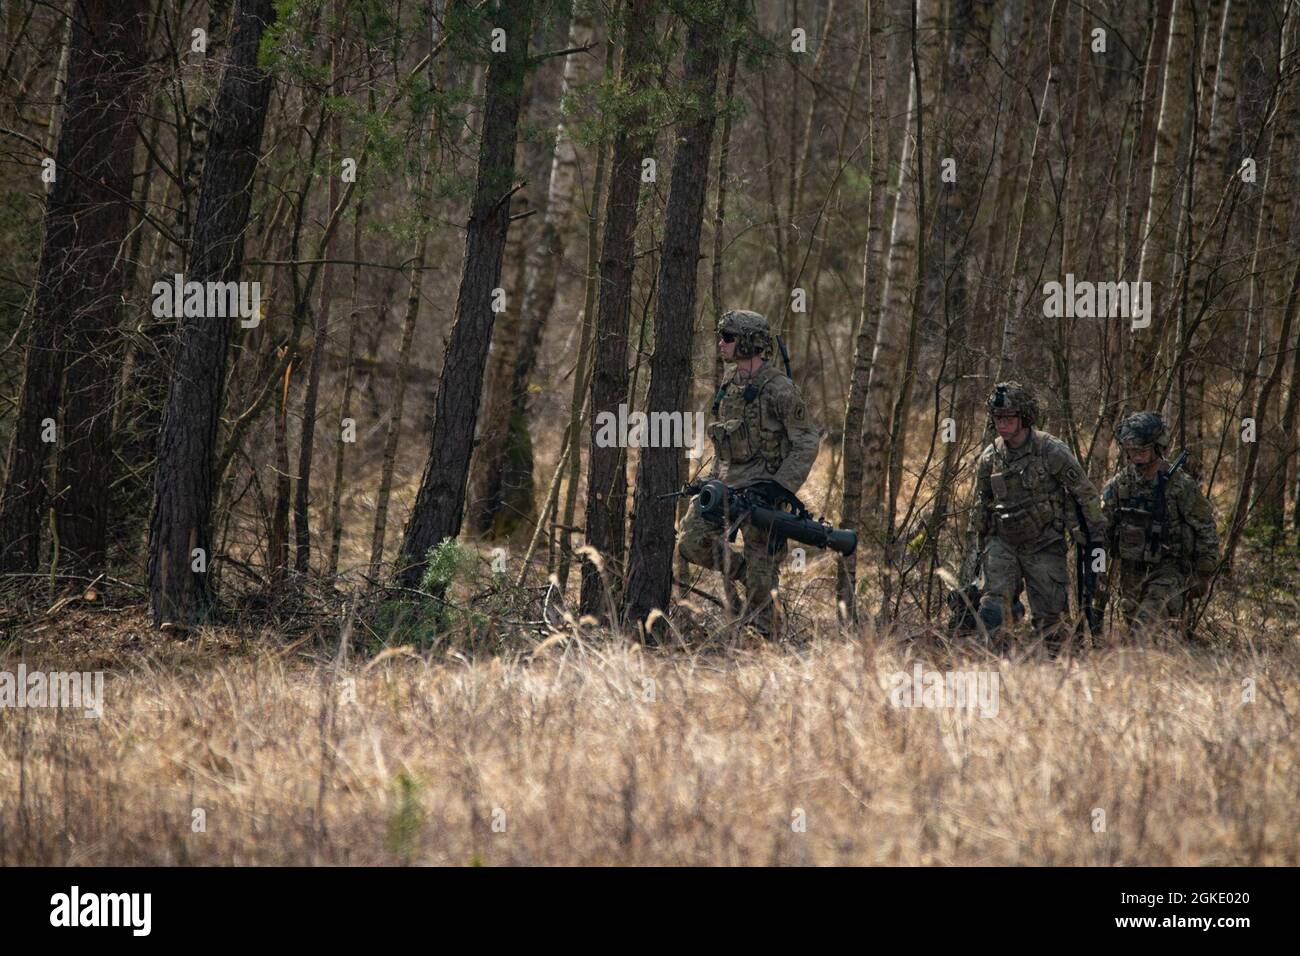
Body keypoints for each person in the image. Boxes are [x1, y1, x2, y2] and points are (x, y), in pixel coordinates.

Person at [676, 309, 820, 635]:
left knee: (761, 583)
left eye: (727, 337)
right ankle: (742, 571)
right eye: (721, 336)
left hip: (765, 496)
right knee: (692, 541)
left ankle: (771, 649)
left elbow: (807, 440)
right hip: (727, 486)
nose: (721, 343)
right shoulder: (730, 384)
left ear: (747, 343)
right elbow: (725, 439)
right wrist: (711, 481)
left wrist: (780, 487)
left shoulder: (779, 389)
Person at [967, 382, 1106, 644]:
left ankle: (1056, 672)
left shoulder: (1051, 450)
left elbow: (1085, 493)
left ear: (1024, 417)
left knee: (1052, 620)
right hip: (1003, 542)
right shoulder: (991, 456)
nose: (1002, 424)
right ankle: (996, 667)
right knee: (992, 608)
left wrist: (1095, 540)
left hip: (1044, 543)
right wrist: (980, 545)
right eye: (997, 418)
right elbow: (981, 504)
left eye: (1009, 417)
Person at [1101, 411, 1219, 631]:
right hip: (1131, 573)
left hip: (1169, 570)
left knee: (1146, 626)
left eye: (1142, 451)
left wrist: (1203, 573)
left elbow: (1205, 528)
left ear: (1157, 448)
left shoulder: (1180, 485)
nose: (1136, 457)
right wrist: (1097, 569)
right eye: (1131, 451)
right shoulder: (1120, 484)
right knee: (1137, 628)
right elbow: (1102, 528)